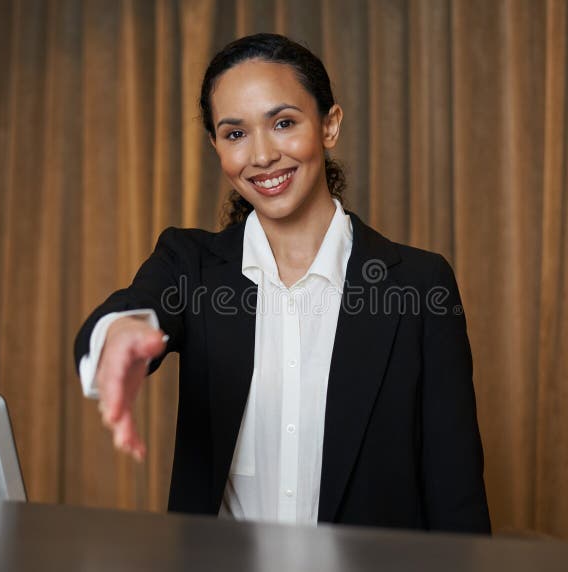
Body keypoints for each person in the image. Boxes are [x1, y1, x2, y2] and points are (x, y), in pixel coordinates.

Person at [74, 33, 490, 533]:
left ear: (329, 125)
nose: (262, 155)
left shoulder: (419, 285)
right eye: (235, 134)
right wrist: (119, 332)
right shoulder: (189, 265)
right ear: (216, 147)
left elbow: (455, 495)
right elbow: (135, 308)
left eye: (284, 123)